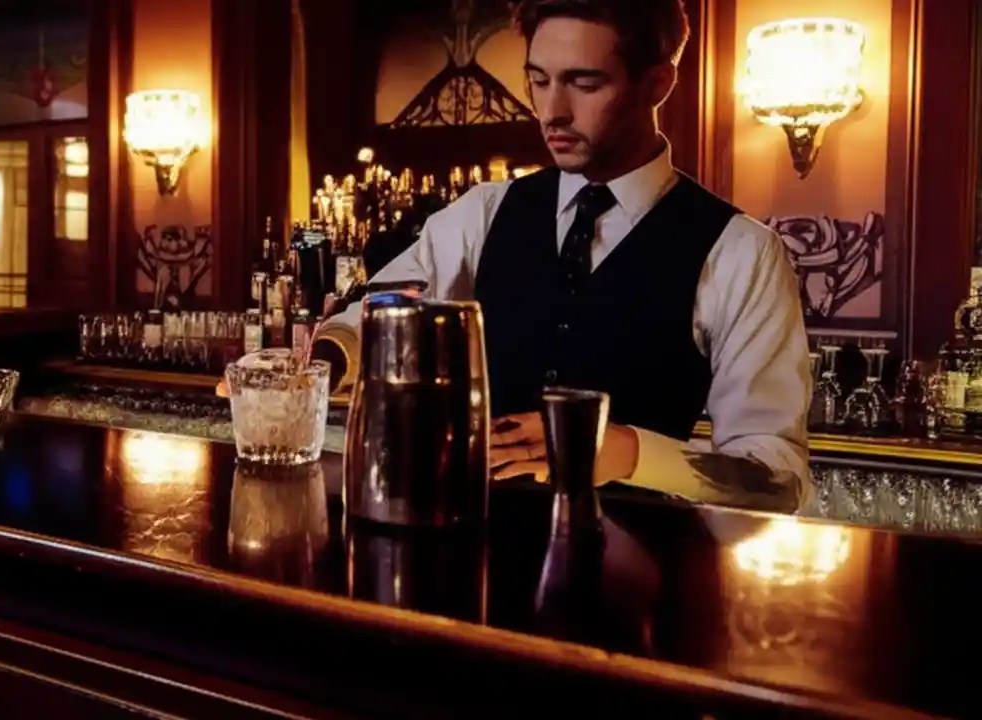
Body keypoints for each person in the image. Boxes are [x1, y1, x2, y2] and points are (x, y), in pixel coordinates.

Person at [310, 0, 811, 512]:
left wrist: (629, 453)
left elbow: (775, 481)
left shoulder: (739, 252)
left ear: (657, 83)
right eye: (538, 81)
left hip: (645, 574)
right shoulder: (485, 212)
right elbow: (377, 314)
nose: (552, 112)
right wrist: (318, 366)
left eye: (585, 84)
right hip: (477, 566)